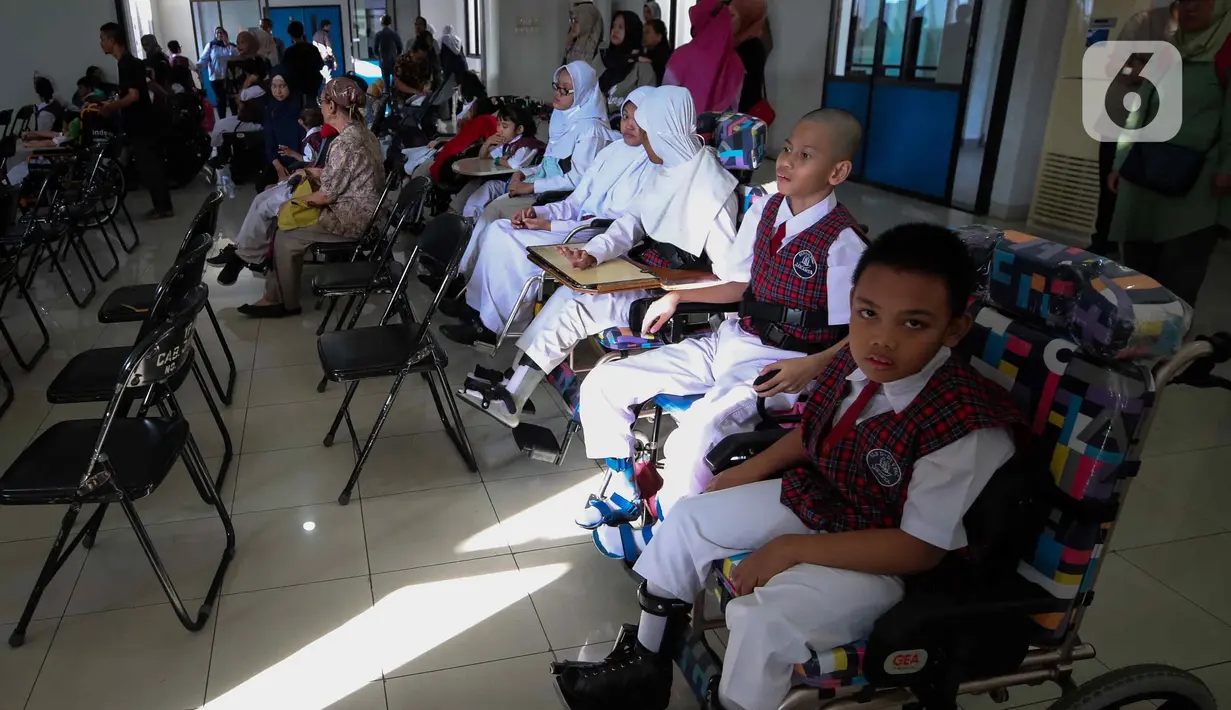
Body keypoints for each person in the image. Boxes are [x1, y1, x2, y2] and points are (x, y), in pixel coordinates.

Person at [550, 224, 1022, 710]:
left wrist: (790, 550)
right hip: (828, 499)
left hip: (891, 561)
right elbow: (816, 431)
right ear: (853, 303)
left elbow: (919, 550)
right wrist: (748, 471)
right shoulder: (859, 363)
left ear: (954, 329)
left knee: (763, 620)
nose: (882, 339)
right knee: (690, 516)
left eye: (913, 324)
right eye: (868, 314)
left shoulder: (965, 426)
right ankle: (645, 670)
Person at [580, 109, 867, 554]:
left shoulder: (843, 242)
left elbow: (863, 334)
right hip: (731, 340)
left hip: (781, 366)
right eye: (787, 148)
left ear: (838, 171)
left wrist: (812, 366)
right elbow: (738, 284)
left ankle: (663, 543)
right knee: (605, 382)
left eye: (805, 155)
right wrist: (678, 298)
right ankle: (623, 488)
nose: (787, 161)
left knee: (694, 438)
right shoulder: (767, 209)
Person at [448, 87, 737, 418]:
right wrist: (594, 255)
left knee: (575, 305)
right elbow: (632, 223)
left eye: (646, 135)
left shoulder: (713, 191)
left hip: (672, 295)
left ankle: (513, 393)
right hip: (646, 273)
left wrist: (681, 301)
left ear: (662, 132)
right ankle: (513, 386)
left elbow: (731, 279)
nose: (641, 142)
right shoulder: (669, 169)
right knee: (570, 295)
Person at [442, 87, 659, 361]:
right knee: (498, 228)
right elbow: (577, 200)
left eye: (637, 120)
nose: (628, 124)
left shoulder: (653, 163)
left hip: (594, 237)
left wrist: (547, 227)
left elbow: (618, 224)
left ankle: (492, 326)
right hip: (573, 224)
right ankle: (476, 309)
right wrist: (539, 213)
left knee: (512, 243)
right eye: (626, 116)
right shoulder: (613, 151)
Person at [452, 61, 614, 299]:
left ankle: (465, 278)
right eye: (557, 86)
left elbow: (577, 179)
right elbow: (550, 163)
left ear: (583, 93)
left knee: (492, 212)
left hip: (555, 198)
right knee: (486, 204)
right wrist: (525, 173)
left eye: (565, 90)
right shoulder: (564, 118)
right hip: (539, 188)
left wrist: (530, 185)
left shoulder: (590, 130)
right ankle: (467, 279)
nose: (557, 94)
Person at [1107, 0, 1231, 307]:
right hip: (1144, 174)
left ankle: (1168, 355)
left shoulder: (1226, 50)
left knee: (1177, 283)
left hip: (1196, 185)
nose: (1191, 6)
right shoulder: (1170, 49)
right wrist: (1120, 161)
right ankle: (1129, 347)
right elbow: (1140, 106)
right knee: (1133, 279)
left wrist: (1227, 167)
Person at [227, 78, 384, 318]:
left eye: (322, 102)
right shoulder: (363, 133)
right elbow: (343, 174)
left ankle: (281, 301)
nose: (320, 107)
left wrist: (293, 204)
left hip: (352, 218)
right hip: (367, 210)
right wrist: (309, 171)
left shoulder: (344, 143)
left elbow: (328, 196)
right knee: (285, 211)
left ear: (332, 106)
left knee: (286, 232)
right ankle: (273, 284)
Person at [1093, 1, 1178, 258]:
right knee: (1110, 193)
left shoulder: (1209, 32)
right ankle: (1101, 251)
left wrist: (1144, 67)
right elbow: (1116, 66)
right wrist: (1159, 70)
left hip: (1165, 129)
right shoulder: (1144, 22)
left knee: (1149, 201)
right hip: (1120, 120)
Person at [97, 22, 173, 219]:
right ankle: (163, 205)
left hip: (140, 123)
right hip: (144, 122)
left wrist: (110, 107)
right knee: (152, 164)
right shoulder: (132, 62)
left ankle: (162, 208)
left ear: (113, 40)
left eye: (103, 39)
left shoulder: (126, 63)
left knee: (149, 166)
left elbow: (133, 96)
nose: (101, 43)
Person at [457, 103, 545, 213]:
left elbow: (514, 164)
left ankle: (470, 218)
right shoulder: (508, 143)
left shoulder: (527, 145)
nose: (499, 130)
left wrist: (499, 160)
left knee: (487, 189)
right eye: (498, 125)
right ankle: (463, 215)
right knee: (473, 184)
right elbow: (484, 157)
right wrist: (488, 143)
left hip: (519, 185)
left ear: (519, 129)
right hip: (506, 180)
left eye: (504, 126)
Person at [664, 0, 745, 114]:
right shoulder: (736, 62)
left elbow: (665, 100)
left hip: (680, 129)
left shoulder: (682, 56)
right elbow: (734, 107)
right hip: (719, 129)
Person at [593, 11, 655, 105]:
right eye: (613, 26)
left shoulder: (642, 66)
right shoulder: (602, 58)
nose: (615, 30)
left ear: (632, 31)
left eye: (621, 27)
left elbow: (648, 104)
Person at [260, 71, 306, 189]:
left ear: (290, 85)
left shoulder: (303, 108)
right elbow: (269, 140)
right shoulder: (271, 109)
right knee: (262, 185)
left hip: (302, 162)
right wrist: (277, 165)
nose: (277, 91)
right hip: (278, 162)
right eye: (274, 86)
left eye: (282, 86)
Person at [732, 0, 770, 114]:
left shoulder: (747, 46)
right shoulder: (757, 39)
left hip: (742, 114)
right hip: (747, 111)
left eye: (733, 15)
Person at [200, 27, 238, 118]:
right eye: (217, 33)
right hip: (216, 78)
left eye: (221, 33)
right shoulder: (211, 45)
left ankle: (235, 119)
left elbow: (235, 55)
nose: (219, 34)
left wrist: (227, 44)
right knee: (221, 99)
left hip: (229, 78)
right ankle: (222, 120)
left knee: (232, 99)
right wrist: (198, 68)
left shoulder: (231, 46)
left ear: (225, 34)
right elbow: (204, 58)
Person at [283, 20, 325, 102]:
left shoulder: (289, 52)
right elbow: (320, 65)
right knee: (312, 106)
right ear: (302, 32)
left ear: (290, 35)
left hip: (296, 87)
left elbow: (286, 70)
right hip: (312, 84)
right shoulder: (312, 49)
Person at [372, 15, 403, 93]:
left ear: (382, 23)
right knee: (396, 82)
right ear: (390, 23)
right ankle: (395, 100)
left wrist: (379, 56)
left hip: (383, 61)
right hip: (394, 61)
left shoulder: (379, 34)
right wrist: (397, 55)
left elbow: (375, 49)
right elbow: (400, 47)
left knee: (386, 83)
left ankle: (387, 100)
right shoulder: (394, 34)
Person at [641, 19, 673, 85]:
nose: (643, 36)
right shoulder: (645, 54)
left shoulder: (663, 58)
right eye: (643, 32)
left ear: (659, 36)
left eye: (647, 32)